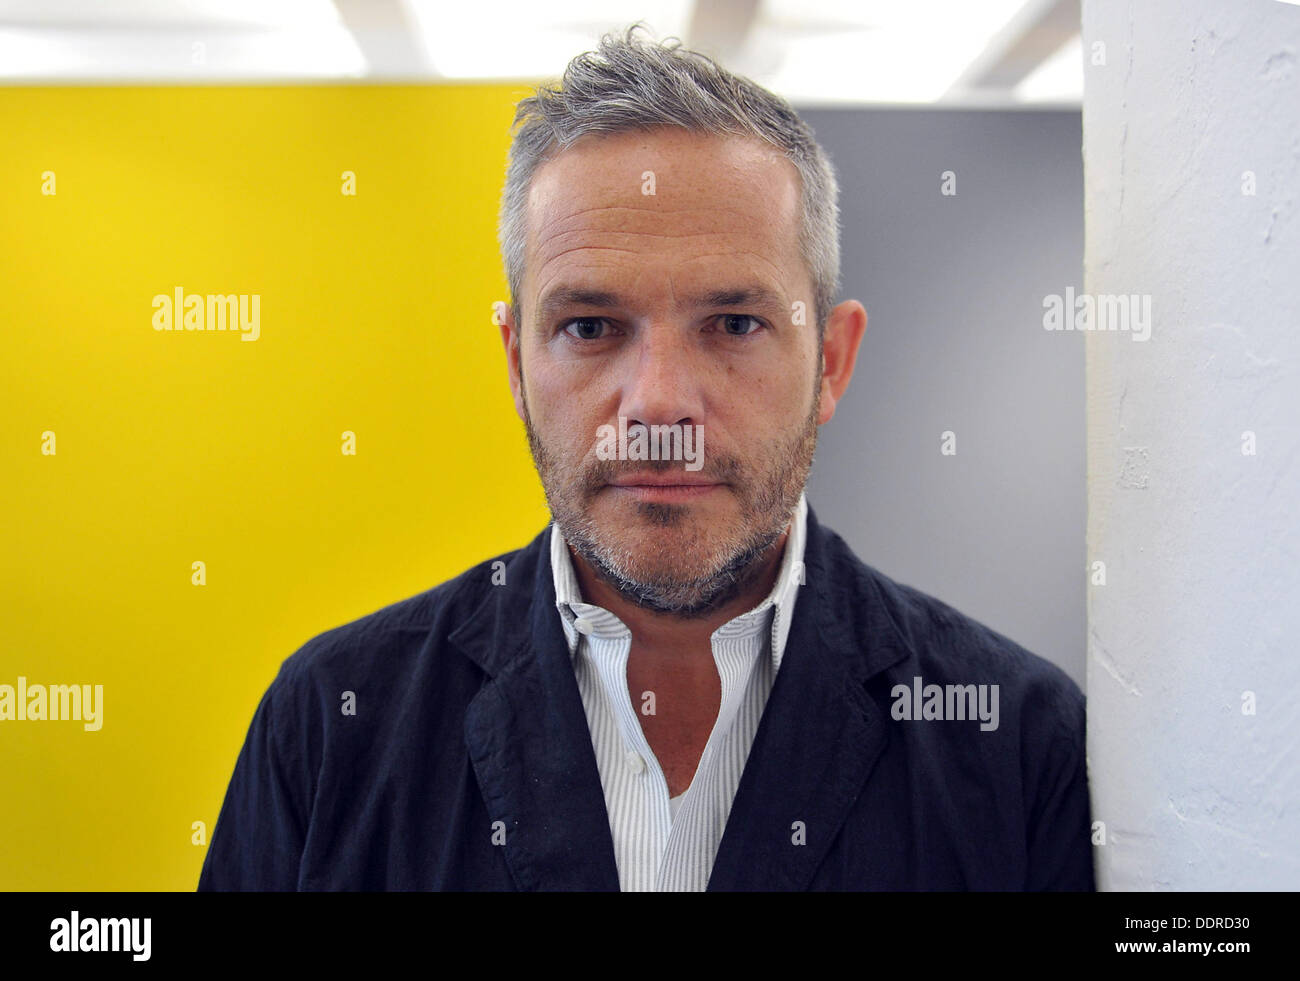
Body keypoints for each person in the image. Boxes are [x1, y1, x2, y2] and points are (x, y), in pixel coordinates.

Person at [198, 25, 1094, 892]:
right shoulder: (329, 729)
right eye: (590, 327)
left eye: (735, 323)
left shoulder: (1018, 745)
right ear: (516, 363)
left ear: (830, 360)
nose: (659, 400)